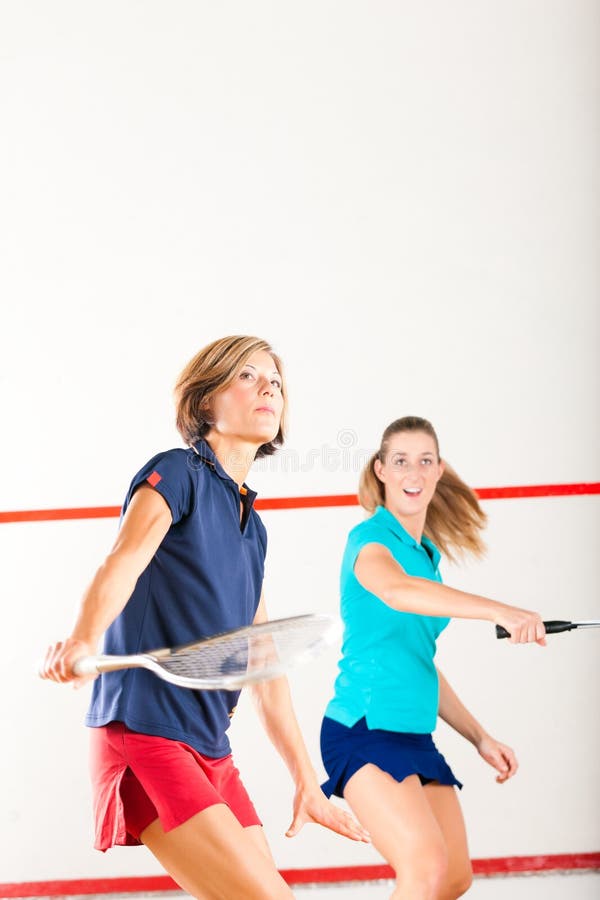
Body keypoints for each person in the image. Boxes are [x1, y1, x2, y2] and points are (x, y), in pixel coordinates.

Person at [40, 335, 368, 900]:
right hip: (143, 734)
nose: (269, 386)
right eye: (246, 375)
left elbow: (264, 662)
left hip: (211, 749)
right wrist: (84, 638)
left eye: (276, 381)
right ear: (205, 401)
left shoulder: (253, 530)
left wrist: (304, 779)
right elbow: (123, 560)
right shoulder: (176, 474)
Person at [319, 416, 546, 900]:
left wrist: (479, 737)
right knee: (424, 869)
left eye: (425, 461)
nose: (413, 473)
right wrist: (498, 611)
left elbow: (418, 660)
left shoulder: (427, 556)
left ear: (439, 470)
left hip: (415, 735)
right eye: (401, 462)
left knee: (454, 876)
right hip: (363, 729)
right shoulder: (369, 542)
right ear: (381, 470)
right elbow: (398, 591)